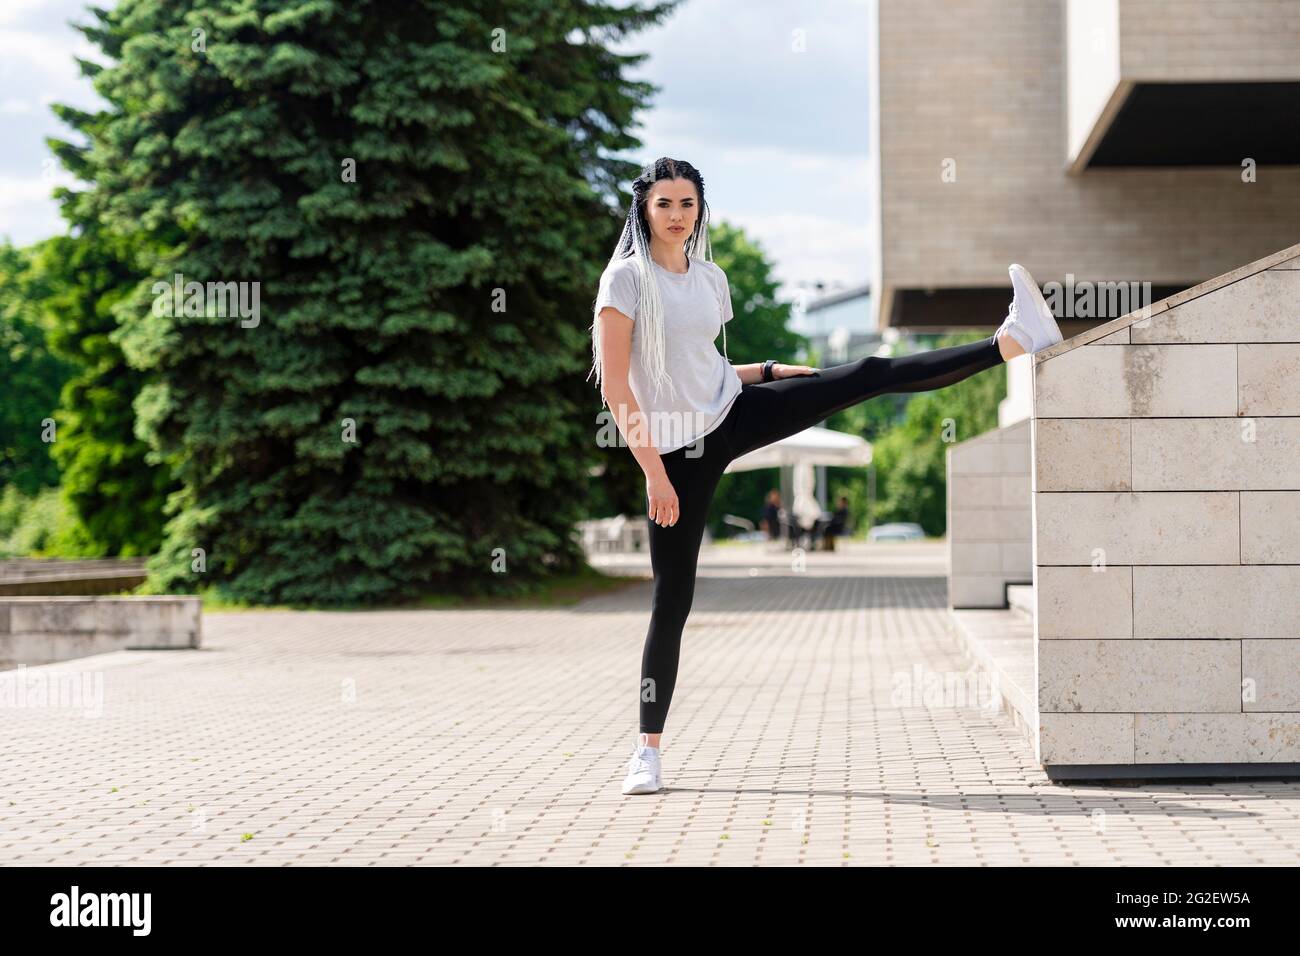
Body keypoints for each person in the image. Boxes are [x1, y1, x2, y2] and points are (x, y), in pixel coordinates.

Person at [587, 157, 1062, 796]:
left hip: (732, 410)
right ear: (644, 208)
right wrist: (655, 476)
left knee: (864, 374)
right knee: (671, 599)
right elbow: (620, 389)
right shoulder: (625, 280)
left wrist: (767, 371)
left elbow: (701, 367)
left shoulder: (710, 279)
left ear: (701, 210)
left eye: (688, 204)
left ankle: (1011, 340)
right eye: (665, 204)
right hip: (674, 455)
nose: (677, 216)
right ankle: (647, 752)